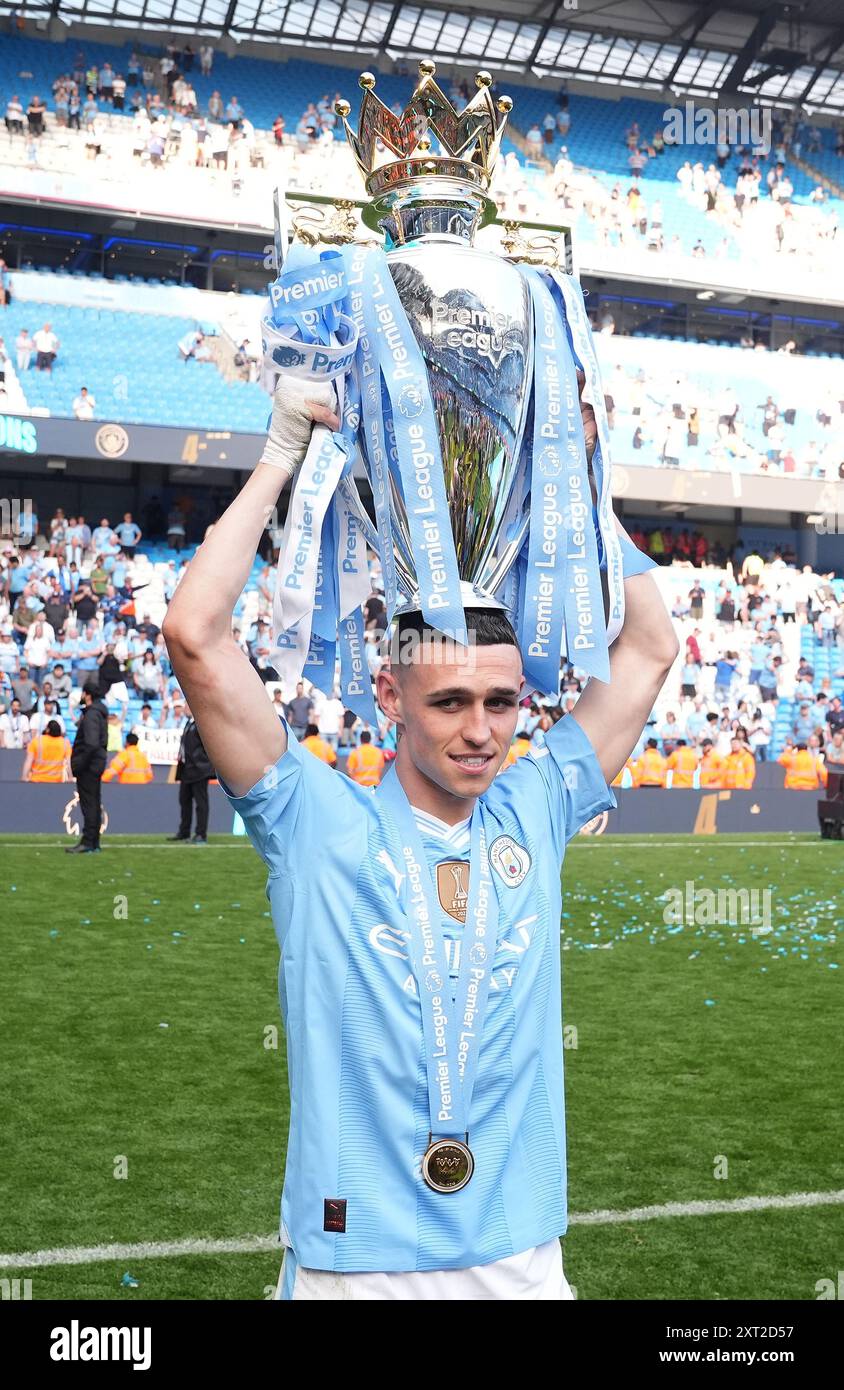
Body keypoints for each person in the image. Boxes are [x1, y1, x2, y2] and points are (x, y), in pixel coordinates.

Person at [161, 368, 677, 1301]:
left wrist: (581, 490)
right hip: (355, 1265)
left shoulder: (536, 807)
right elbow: (197, 634)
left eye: (501, 702)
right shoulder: (314, 822)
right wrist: (281, 455)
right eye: (449, 702)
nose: (481, 731)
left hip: (520, 1259)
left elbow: (647, 648)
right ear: (391, 697)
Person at [67, 678, 108, 853]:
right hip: (96, 764)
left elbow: (91, 743)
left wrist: (79, 763)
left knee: (89, 804)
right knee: (94, 802)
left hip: (89, 766)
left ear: (87, 695)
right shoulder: (98, 713)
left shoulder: (91, 714)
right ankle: (94, 842)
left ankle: (88, 842)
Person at [169, 704, 214, 843]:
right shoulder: (189, 724)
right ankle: (184, 831)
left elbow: (208, 746)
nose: (184, 709)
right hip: (186, 770)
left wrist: (201, 762)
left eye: (187, 706)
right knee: (184, 801)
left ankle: (201, 834)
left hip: (199, 770)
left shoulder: (200, 724)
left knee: (201, 803)